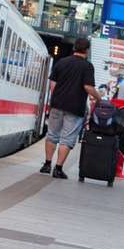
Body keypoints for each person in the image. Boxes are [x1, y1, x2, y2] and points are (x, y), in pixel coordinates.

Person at [42, 36, 98, 179]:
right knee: (67, 138)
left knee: (52, 134)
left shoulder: (62, 62)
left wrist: (57, 97)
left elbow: (52, 85)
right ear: (86, 50)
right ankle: (58, 168)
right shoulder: (87, 66)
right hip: (75, 107)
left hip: (57, 104)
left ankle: (47, 164)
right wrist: (99, 97)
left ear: (74, 48)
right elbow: (88, 87)